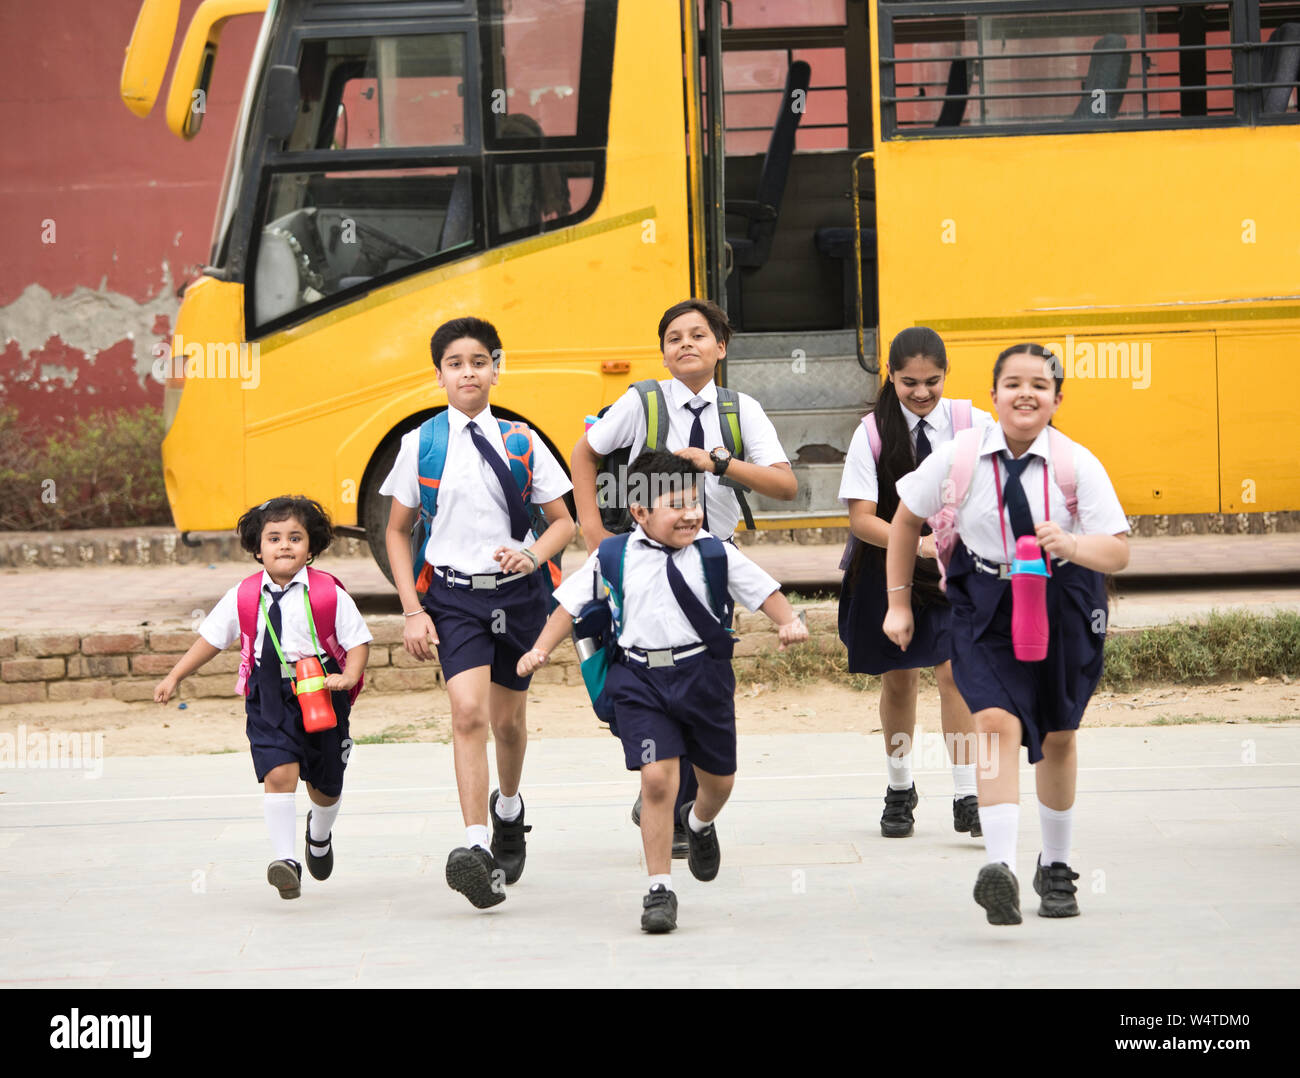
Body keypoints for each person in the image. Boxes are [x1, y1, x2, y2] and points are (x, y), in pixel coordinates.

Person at [884, 344, 1130, 924]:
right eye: (1013, 383)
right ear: (992, 397)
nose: (1026, 393)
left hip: (1063, 599)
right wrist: (898, 604)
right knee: (992, 721)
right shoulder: (960, 456)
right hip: (983, 601)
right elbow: (905, 520)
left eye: (1040, 385)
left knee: (1059, 736)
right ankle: (1001, 869)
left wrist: (1071, 545)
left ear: (1056, 399)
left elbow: (1117, 550)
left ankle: (1058, 866)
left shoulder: (1076, 464)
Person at [518, 450, 808, 933]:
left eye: (693, 502)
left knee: (720, 783)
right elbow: (569, 605)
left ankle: (698, 823)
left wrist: (789, 621)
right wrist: (540, 649)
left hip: (704, 677)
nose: (690, 513)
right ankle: (659, 890)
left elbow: (764, 591)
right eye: (676, 504)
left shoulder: (715, 552)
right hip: (641, 680)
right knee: (656, 780)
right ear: (640, 512)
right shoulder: (613, 556)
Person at [570, 298, 798, 852]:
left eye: (700, 335)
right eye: (674, 337)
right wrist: (597, 536)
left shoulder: (742, 410)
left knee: (701, 678)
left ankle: (683, 809)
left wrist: (717, 463)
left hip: (710, 564)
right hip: (643, 563)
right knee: (638, 675)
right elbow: (583, 455)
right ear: (664, 353)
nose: (686, 344)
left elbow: (784, 486)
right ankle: (662, 781)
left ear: (722, 346)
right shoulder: (641, 401)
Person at [382, 316, 575, 910]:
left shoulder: (522, 440)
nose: (469, 372)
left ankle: (509, 812)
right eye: (456, 363)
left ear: (496, 367)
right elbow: (396, 531)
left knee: (508, 723)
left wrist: (530, 555)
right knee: (467, 714)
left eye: (479, 361)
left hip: (518, 599)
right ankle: (476, 848)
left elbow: (564, 521)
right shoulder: (421, 444)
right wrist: (413, 610)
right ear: (438, 374)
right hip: (453, 597)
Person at [154, 496, 371, 900]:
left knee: (327, 786)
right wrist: (175, 675)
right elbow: (211, 640)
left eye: (295, 537)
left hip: (321, 688)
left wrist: (350, 675)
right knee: (278, 773)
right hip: (268, 691)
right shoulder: (244, 595)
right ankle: (286, 861)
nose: (284, 545)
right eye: (274, 538)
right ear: (258, 548)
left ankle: (319, 836)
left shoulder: (327, 593)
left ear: (311, 547)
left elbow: (358, 641)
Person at [838, 327, 992, 839]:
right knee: (900, 679)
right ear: (891, 376)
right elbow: (862, 519)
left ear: (946, 374)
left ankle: (968, 793)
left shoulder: (974, 424)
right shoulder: (872, 433)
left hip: (957, 572)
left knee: (955, 675)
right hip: (891, 566)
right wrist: (920, 544)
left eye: (932, 381)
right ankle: (900, 787)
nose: (922, 393)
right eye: (909, 383)